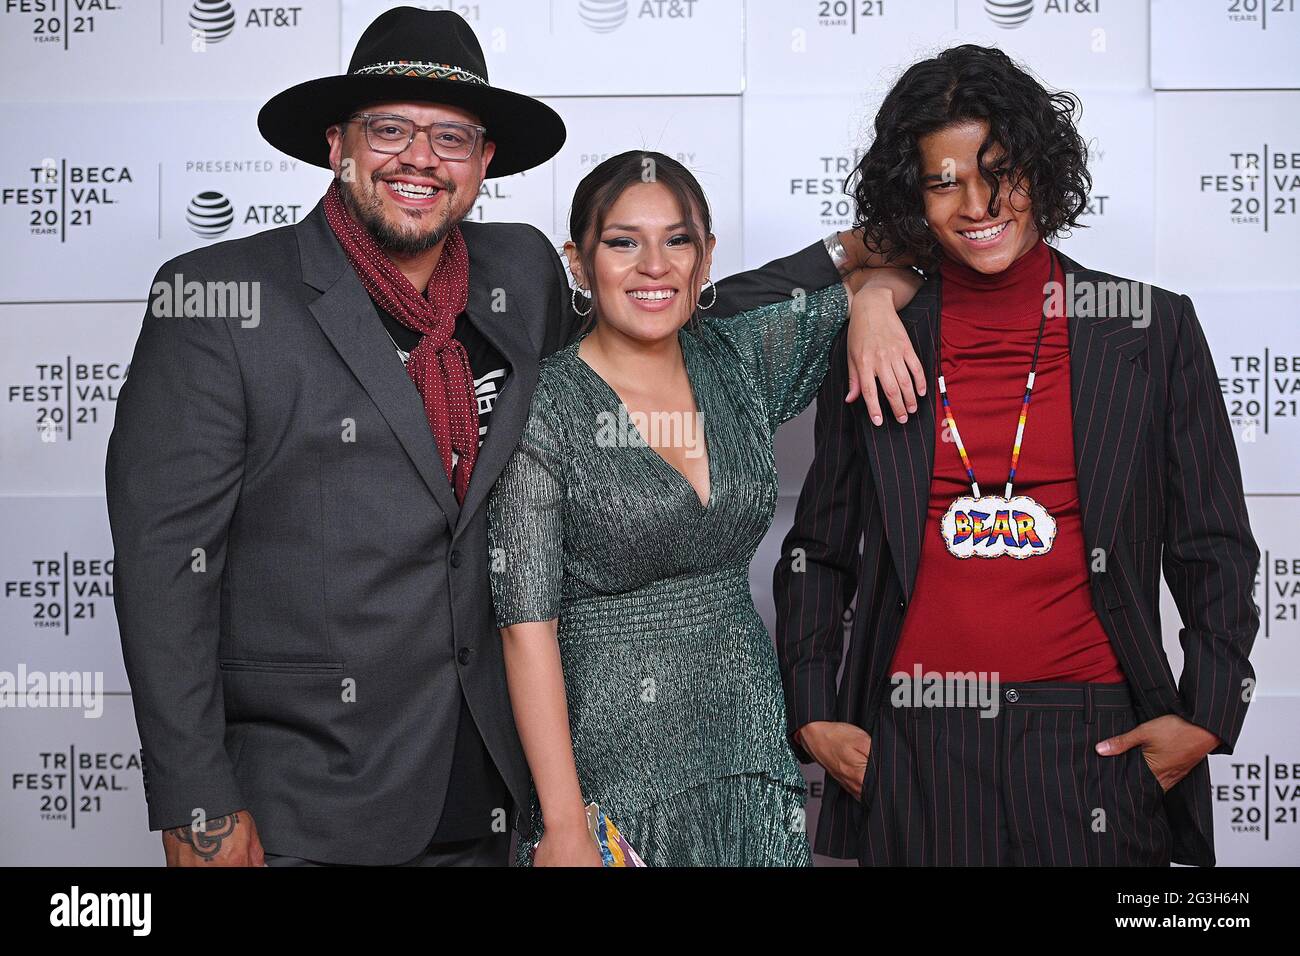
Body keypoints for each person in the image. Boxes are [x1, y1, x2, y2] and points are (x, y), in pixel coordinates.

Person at [105, 7, 919, 866]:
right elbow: (164, 569)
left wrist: (851, 268)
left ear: (484, 161)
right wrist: (199, 800)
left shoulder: (517, 273)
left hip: (497, 786)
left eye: (451, 138)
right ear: (336, 145)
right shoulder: (221, 302)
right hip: (310, 799)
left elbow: (656, 316)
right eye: (389, 129)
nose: (420, 158)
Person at [775, 45, 1260, 867]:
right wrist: (815, 711)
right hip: (917, 741)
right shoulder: (880, 339)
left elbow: (1212, 544)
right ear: (912, 195)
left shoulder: (1149, 328)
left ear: (1041, 168)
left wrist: (1207, 715)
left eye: (999, 171)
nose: (977, 204)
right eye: (943, 181)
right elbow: (818, 550)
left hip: (1097, 742)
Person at [485, 151, 916, 866]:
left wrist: (867, 304)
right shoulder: (544, 408)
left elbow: (898, 275)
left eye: (677, 239)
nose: (654, 264)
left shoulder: (739, 357)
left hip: (748, 749)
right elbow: (525, 629)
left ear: (706, 257)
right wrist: (564, 824)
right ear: (578, 262)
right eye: (623, 242)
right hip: (609, 771)